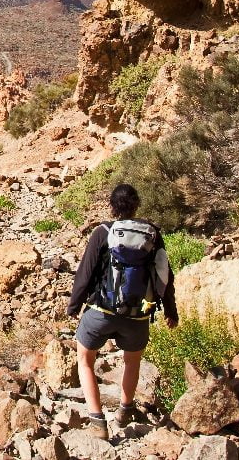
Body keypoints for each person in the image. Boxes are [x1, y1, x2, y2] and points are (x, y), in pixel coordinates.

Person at [67, 183, 178, 440]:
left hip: (100, 312)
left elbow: (85, 273)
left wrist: (74, 306)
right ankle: (125, 409)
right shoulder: (152, 234)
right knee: (132, 361)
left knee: (85, 360)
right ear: (137, 204)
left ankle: (97, 421)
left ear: (112, 206)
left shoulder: (102, 232)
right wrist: (171, 311)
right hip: (138, 315)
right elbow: (165, 276)